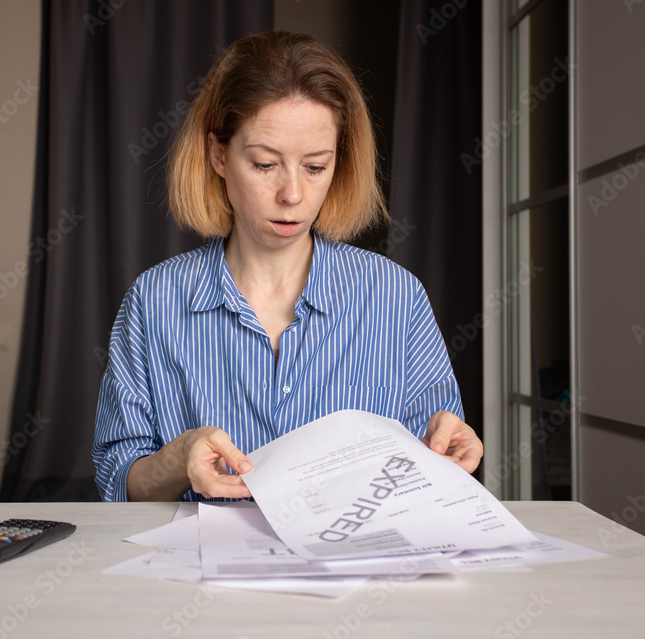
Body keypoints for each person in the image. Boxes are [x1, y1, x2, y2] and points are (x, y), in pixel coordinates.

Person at [93, 31, 482, 503]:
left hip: (358, 572)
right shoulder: (153, 301)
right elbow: (119, 485)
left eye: (316, 167)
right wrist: (180, 459)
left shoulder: (396, 296)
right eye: (264, 164)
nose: (293, 195)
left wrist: (449, 450)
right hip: (202, 573)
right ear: (218, 154)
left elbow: (438, 466)